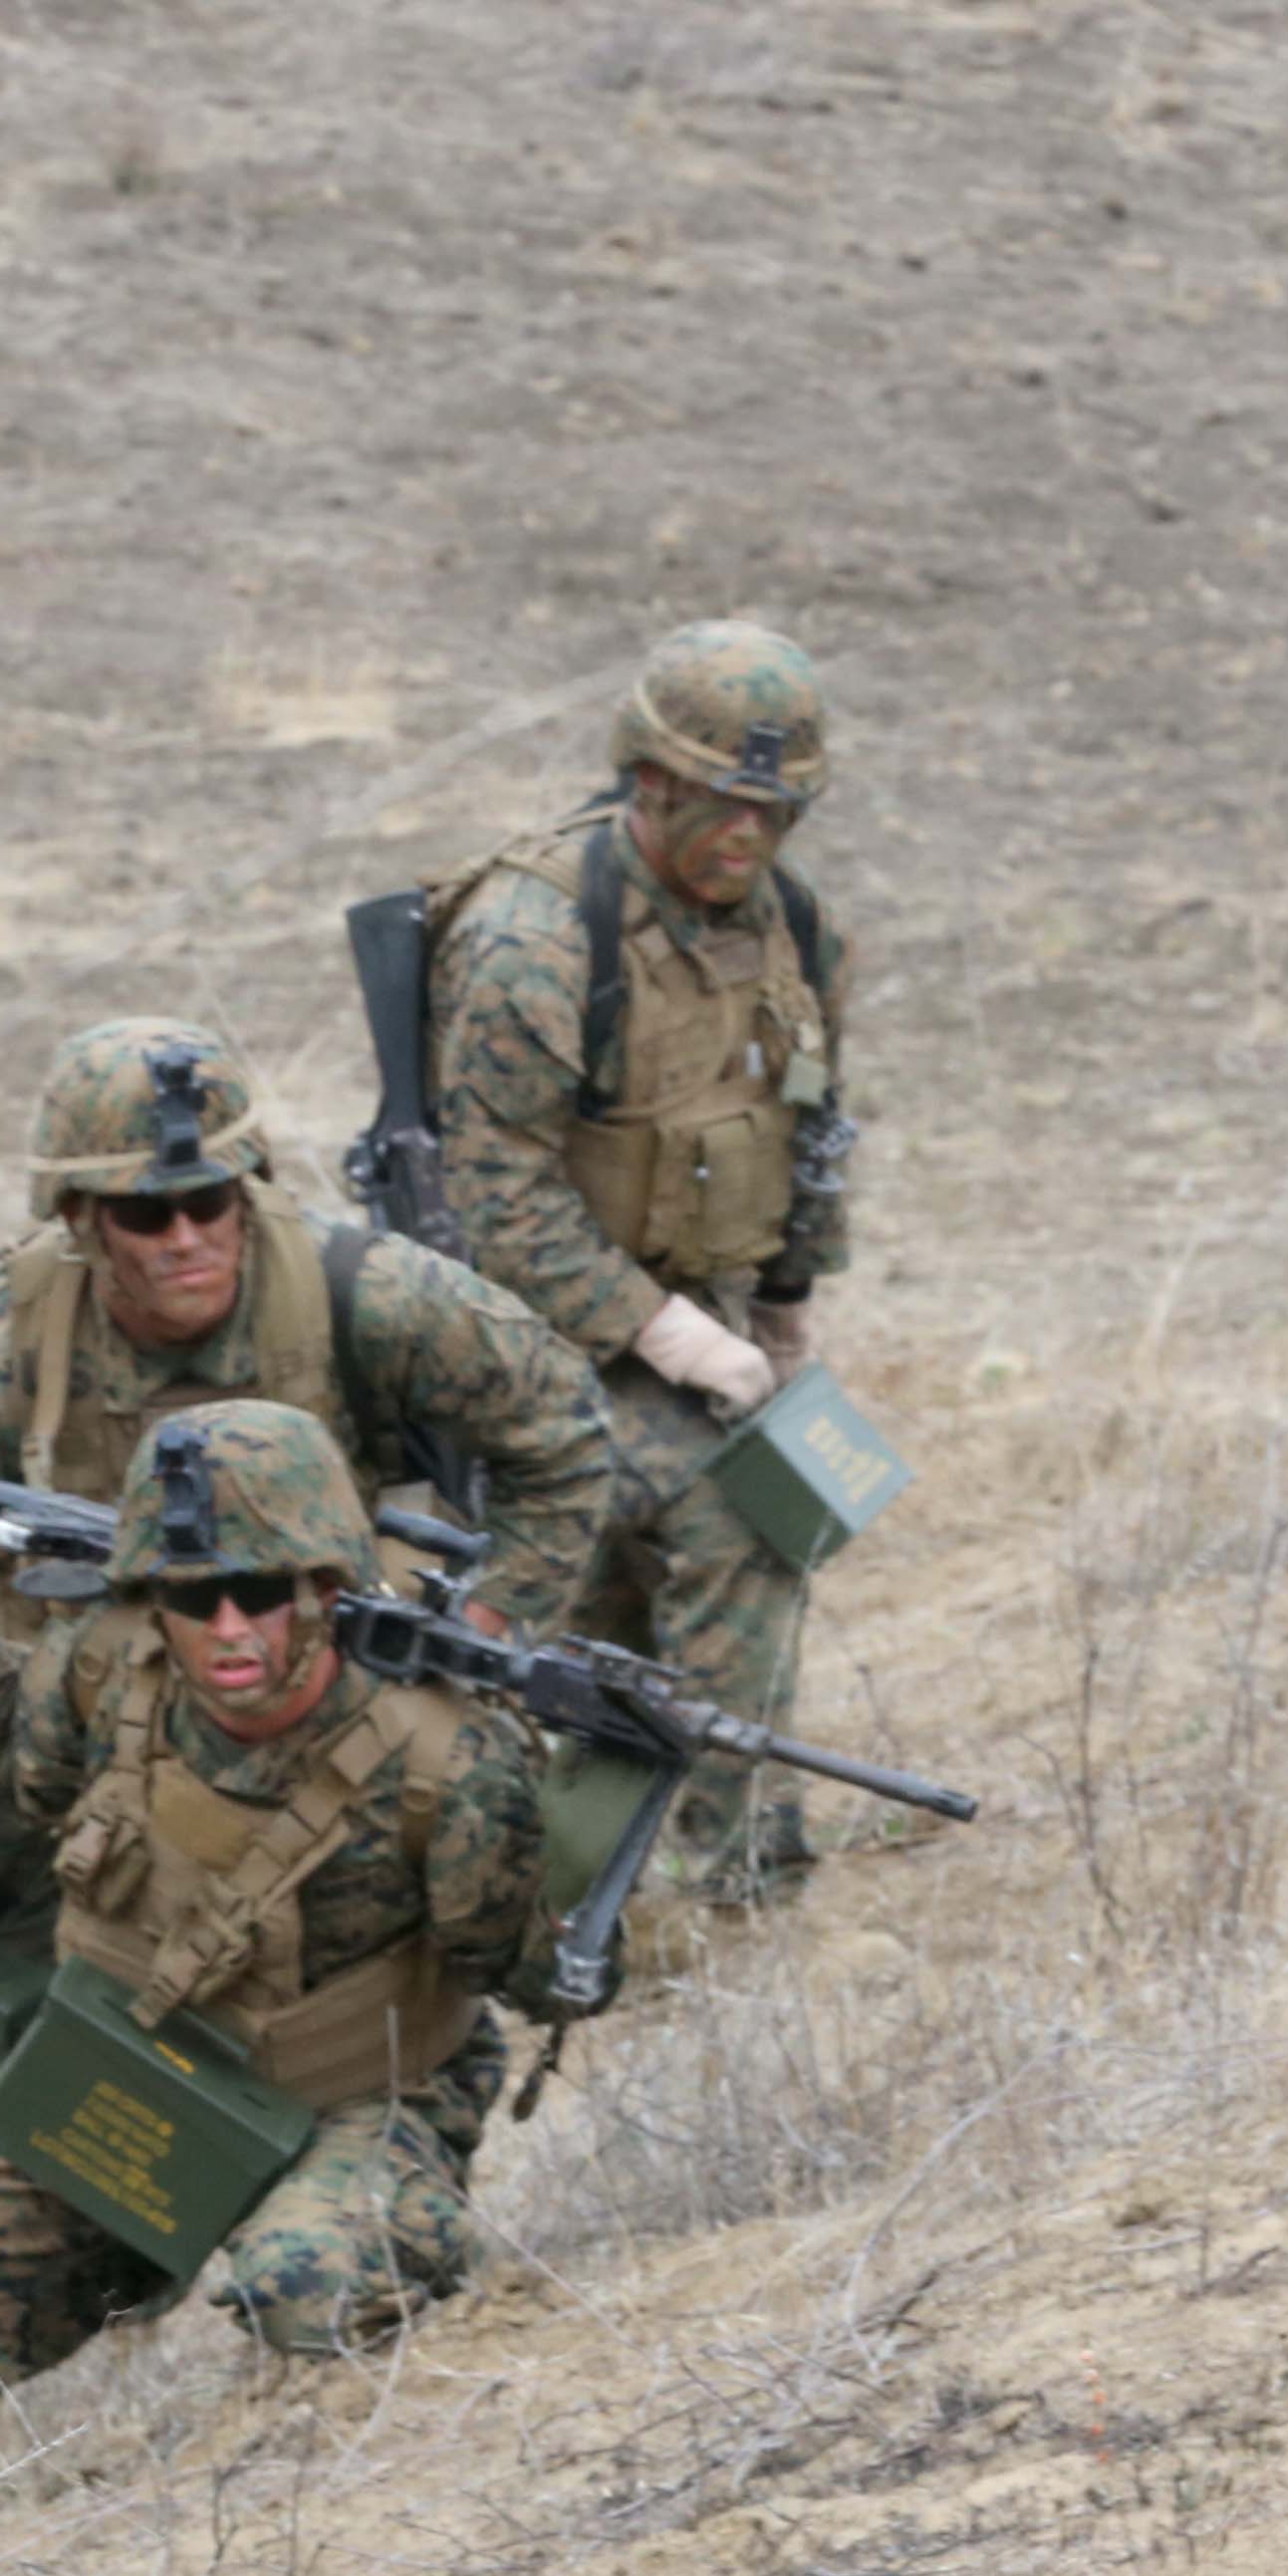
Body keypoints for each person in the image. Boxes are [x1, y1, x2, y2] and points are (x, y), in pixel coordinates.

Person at [0, 1404, 570, 2528]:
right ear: (151, 1598)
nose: (228, 1624)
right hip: (137, 2082)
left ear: (327, 1588)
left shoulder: (450, 1758)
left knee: (313, 2291)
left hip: (355, 2092)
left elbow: (527, 1974)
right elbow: (13, 1784)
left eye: (264, 1590)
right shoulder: (104, 1670)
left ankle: (338, 2520)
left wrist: (574, 1830)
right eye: (193, 1596)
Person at [0, 1019, 609, 1945]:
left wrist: (472, 1626)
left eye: (210, 1200)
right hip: (66, 1735)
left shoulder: (368, 1295)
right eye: (147, 1214)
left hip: (318, 1706)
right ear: (79, 1215)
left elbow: (563, 1431)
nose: (187, 1238)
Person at [422, 621, 860, 1893]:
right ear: (650, 781)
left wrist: (784, 1308)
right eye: (725, 804)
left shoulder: (800, 932)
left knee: (743, 1509)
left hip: (698, 1308)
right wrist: (675, 1338)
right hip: (524, 1327)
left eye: (778, 810)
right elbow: (497, 1206)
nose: (751, 836)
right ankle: (731, 1878)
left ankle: (636, 1858)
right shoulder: (533, 941)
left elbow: (815, 1126)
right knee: (735, 1512)